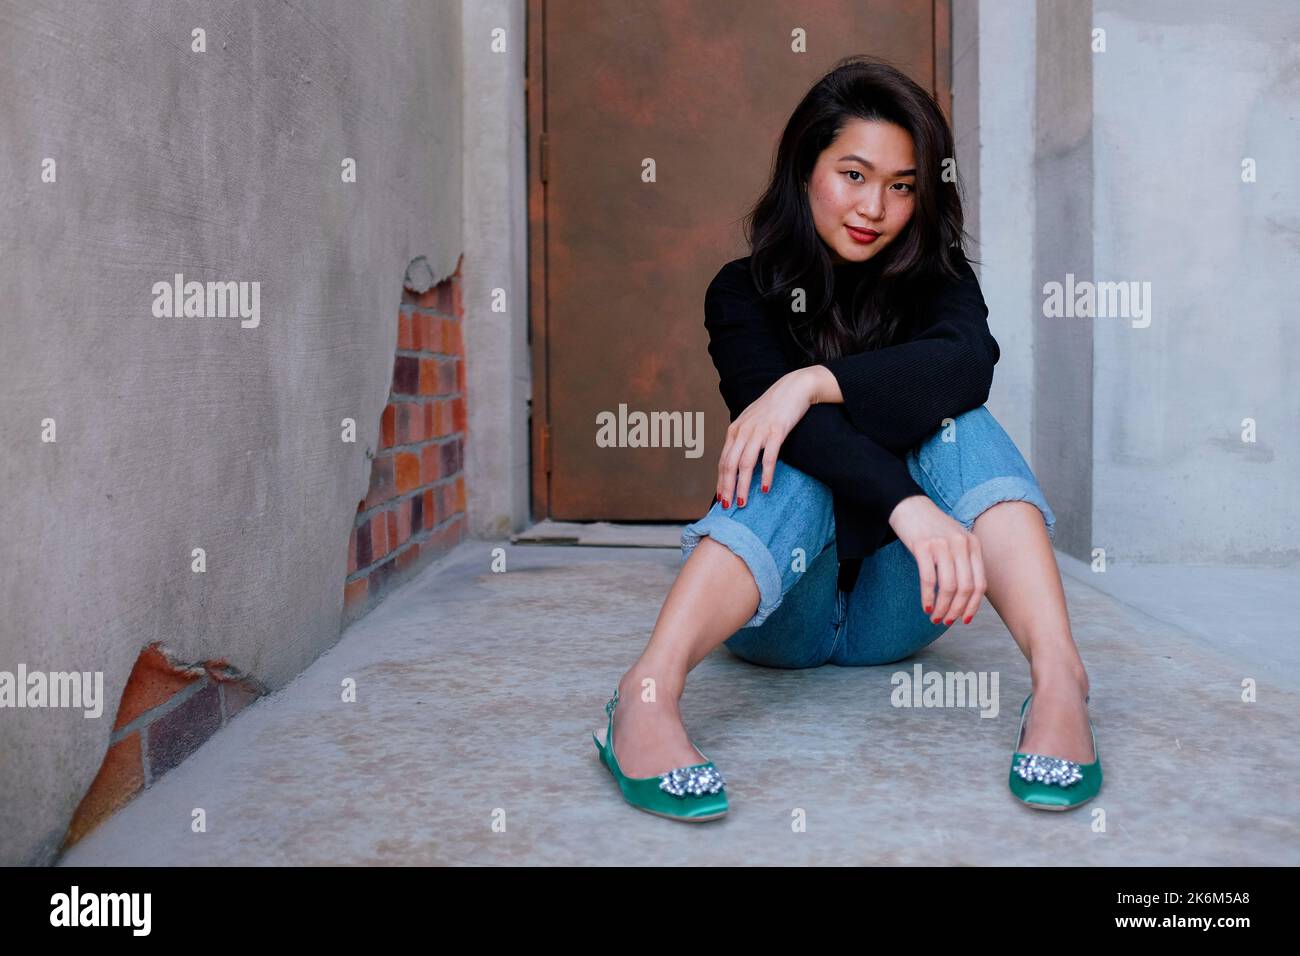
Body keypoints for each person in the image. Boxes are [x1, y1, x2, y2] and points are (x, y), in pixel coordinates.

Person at [592, 55, 1100, 822]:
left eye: (902, 186)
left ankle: (1062, 682)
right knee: (793, 448)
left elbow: (969, 365)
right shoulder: (743, 291)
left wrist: (813, 381)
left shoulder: (937, 278)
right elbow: (807, 443)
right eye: (854, 175)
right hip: (780, 613)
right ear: (806, 170)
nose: (876, 207)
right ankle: (643, 697)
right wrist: (907, 504)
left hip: (899, 611)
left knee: (957, 419)